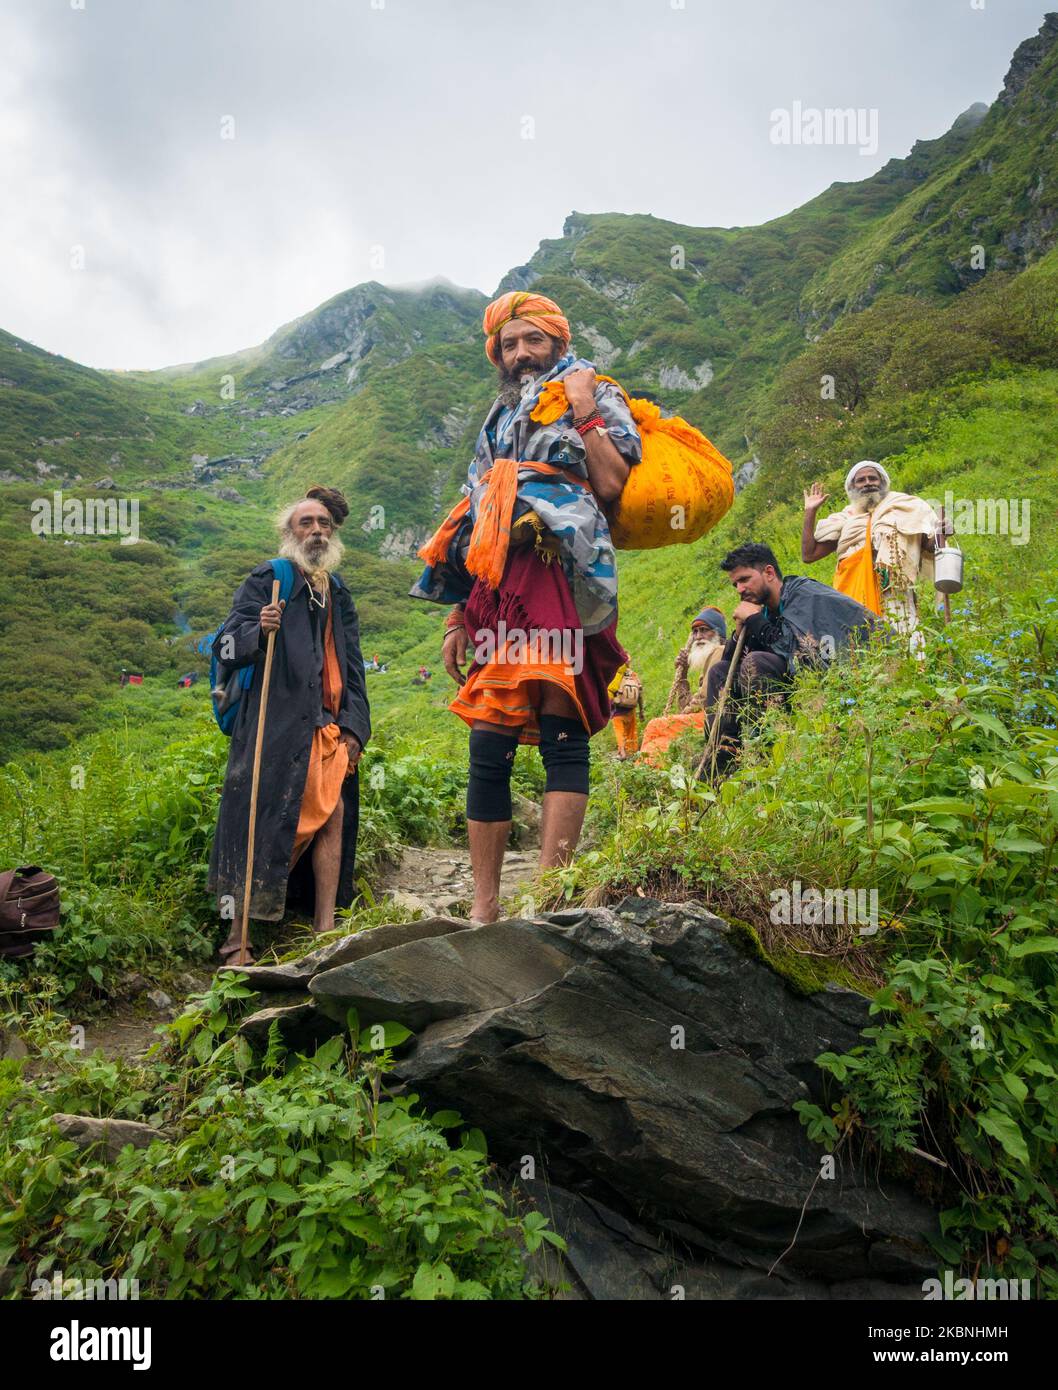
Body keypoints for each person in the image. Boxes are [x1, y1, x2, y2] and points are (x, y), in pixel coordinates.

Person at [411, 289, 642, 922]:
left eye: (531, 340)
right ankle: (485, 909)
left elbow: (614, 481)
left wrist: (587, 409)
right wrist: (458, 612)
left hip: (565, 578)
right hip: (495, 589)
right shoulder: (497, 416)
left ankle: (549, 898)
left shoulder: (595, 394)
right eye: (508, 344)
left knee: (561, 725)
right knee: (489, 739)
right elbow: (473, 513)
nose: (520, 354)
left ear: (557, 342)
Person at [209, 486, 370, 964]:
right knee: (257, 818)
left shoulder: (338, 593)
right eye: (306, 523)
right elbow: (223, 649)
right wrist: (258, 628)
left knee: (334, 813)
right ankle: (238, 938)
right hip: (272, 725)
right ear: (288, 532)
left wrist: (356, 727)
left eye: (323, 523)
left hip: (327, 726)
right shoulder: (269, 579)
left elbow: (354, 667)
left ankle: (325, 927)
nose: (317, 530)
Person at [703, 542, 875, 777]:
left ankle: (767, 754)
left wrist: (756, 623)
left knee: (756, 662)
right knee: (718, 671)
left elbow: (805, 654)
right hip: (782, 684)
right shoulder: (761, 610)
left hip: (815, 683)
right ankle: (720, 760)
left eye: (744, 579)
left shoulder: (804, 596)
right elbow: (731, 665)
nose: (739, 589)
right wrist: (738, 631)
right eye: (735, 584)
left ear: (769, 573)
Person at [802, 461, 941, 644]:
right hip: (854, 599)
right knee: (863, 652)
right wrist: (810, 512)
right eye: (861, 480)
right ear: (852, 487)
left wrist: (940, 534)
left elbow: (929, 545)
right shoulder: (846, 520)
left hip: (894, 594)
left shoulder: (902, 509)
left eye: (872, 478)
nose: (867, 483)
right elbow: (809, 555)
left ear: (882, 482)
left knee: (907, 645)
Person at [637, 609, 727, 765]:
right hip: (705, 721)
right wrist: (683, 675)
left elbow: (702, 701)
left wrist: (678, 716)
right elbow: (687, 710)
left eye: (704, 630)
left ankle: (640, 775)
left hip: (713, 721)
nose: (698, 637)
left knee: (654, 726)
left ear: (718, 634)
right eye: (695, 632)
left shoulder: (720, 652)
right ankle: (645, 775)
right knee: (658, 746)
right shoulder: (710, 660)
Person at [608, 663, 644, 759]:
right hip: (631, 710)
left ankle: (622, 753)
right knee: (631, 733)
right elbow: (640, 694)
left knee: (619, 732)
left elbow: (610, 692)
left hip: (617, 712)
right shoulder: (633, 675)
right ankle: (634, 753)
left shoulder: (616, 675)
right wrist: (641, 711)